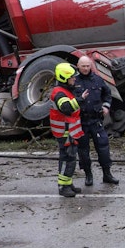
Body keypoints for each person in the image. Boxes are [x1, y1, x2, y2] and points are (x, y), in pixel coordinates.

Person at [73, 55, 119, 187]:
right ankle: (88, 175)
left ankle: (107, 174)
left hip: (96, 121)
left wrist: (106, 106)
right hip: (81, 122)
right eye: (83, 66)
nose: (86, 68)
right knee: (83, 151)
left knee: (103, 148)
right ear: (78, 66)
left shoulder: (98, 80)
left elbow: (107, 94)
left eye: (88, 66)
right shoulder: (73, 81)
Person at [50, 62, 85, 197]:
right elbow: (66, 108)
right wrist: (80, 100)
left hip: (69, 132)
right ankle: (63, 187)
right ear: (64, 78)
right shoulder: (59, 93)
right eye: (72, 77)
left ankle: (68, 183)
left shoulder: (65, 90)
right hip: (64, 133)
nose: (74, 79)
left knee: (71, 158)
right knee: (67, 159)